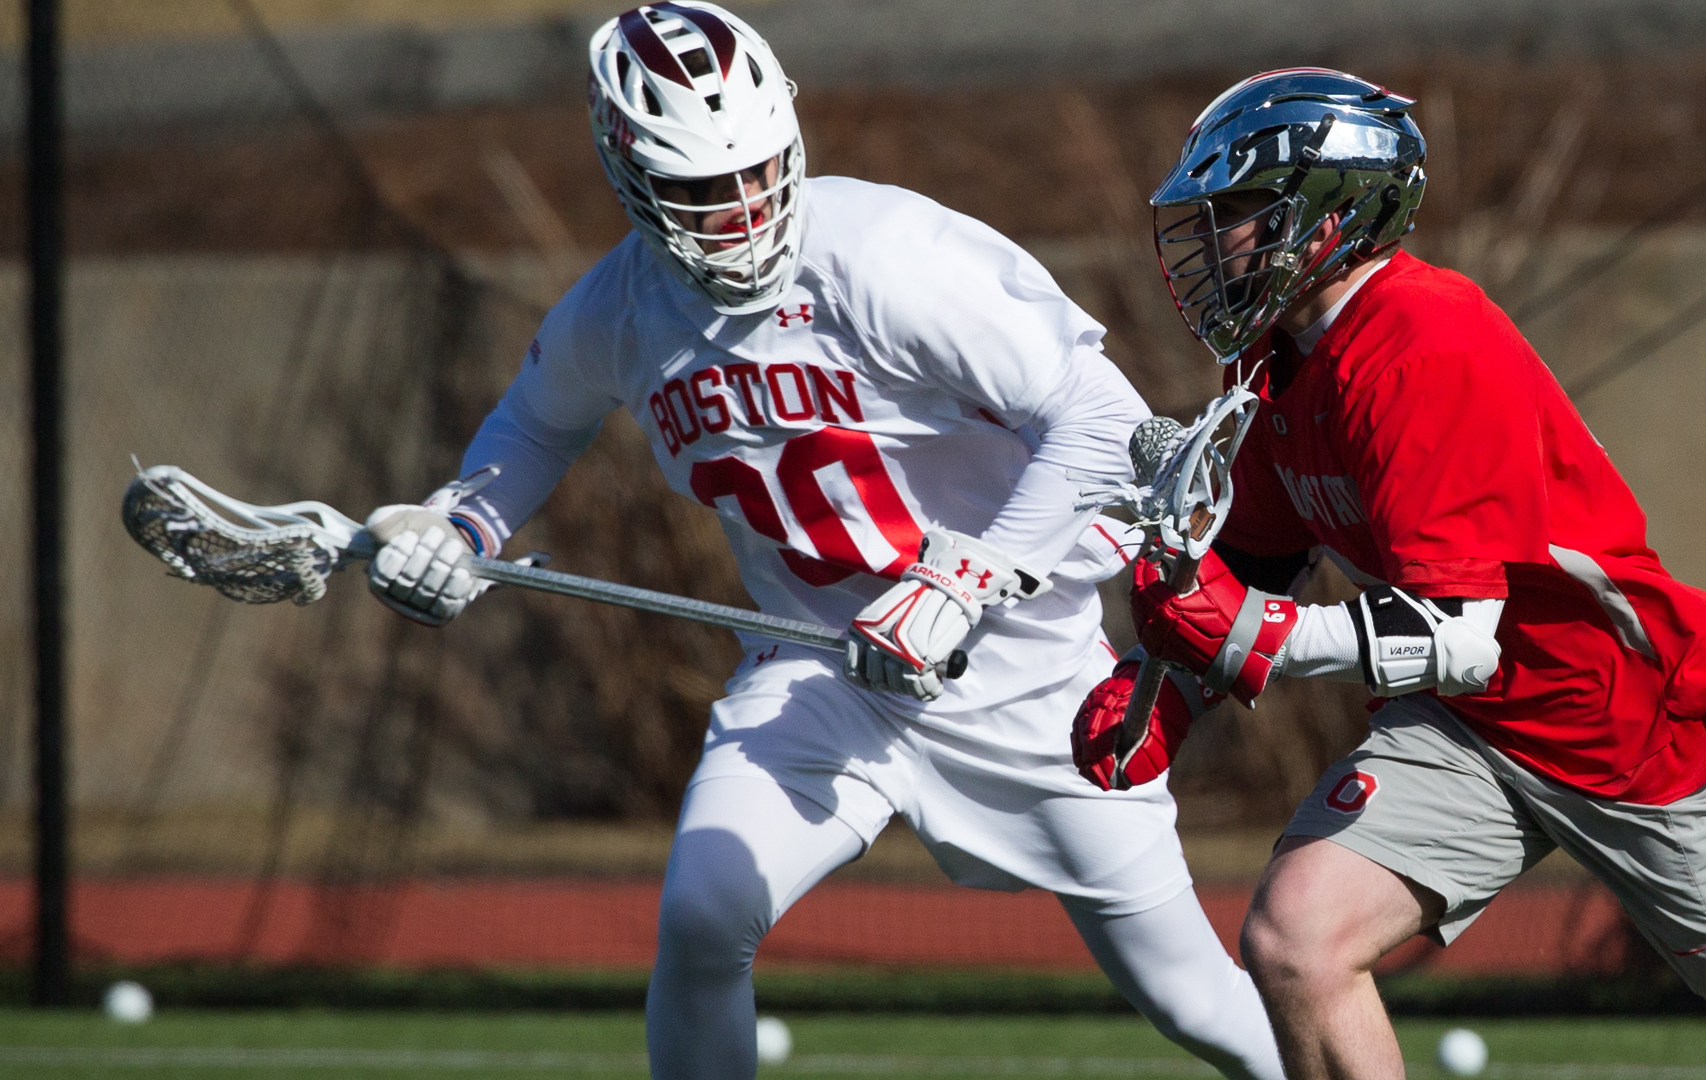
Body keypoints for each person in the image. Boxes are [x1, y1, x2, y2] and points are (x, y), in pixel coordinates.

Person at [359, 5, 1284, 1078]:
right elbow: (531, 423)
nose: (747, 209)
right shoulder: (621, 308)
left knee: (1192, 1000)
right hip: (818, 672)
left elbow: (1107, 422)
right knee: (705, 914)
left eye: (760, 170)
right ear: (630, 177)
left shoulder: (884, 255)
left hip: (1025, 671)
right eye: (707, 190)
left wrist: (963, 578)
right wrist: (458, 523)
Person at [1071, 67, 1706, 1079]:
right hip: (1470, 730)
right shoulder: (1286, 360)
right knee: (1298, 942)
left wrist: (1244, 639)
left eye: (1242, 211)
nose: (1218, 239)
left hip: (1619, 725)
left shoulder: (1422, 343)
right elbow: (1256, 558)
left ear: (1331, 210)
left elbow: (1461, 637)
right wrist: (1165, 686)